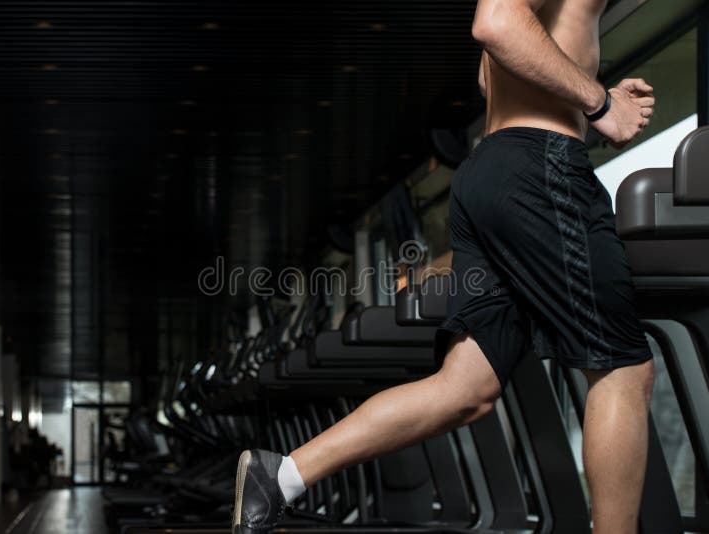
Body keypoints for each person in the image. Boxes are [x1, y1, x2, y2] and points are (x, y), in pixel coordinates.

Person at [232, 1, 656, 533]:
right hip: (539, 167)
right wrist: (599, 104)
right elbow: (497, 23)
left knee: (466, 389)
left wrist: (592, 94)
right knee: (620, 368)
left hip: (493, 168)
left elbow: (491, 71)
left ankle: (284, 476)